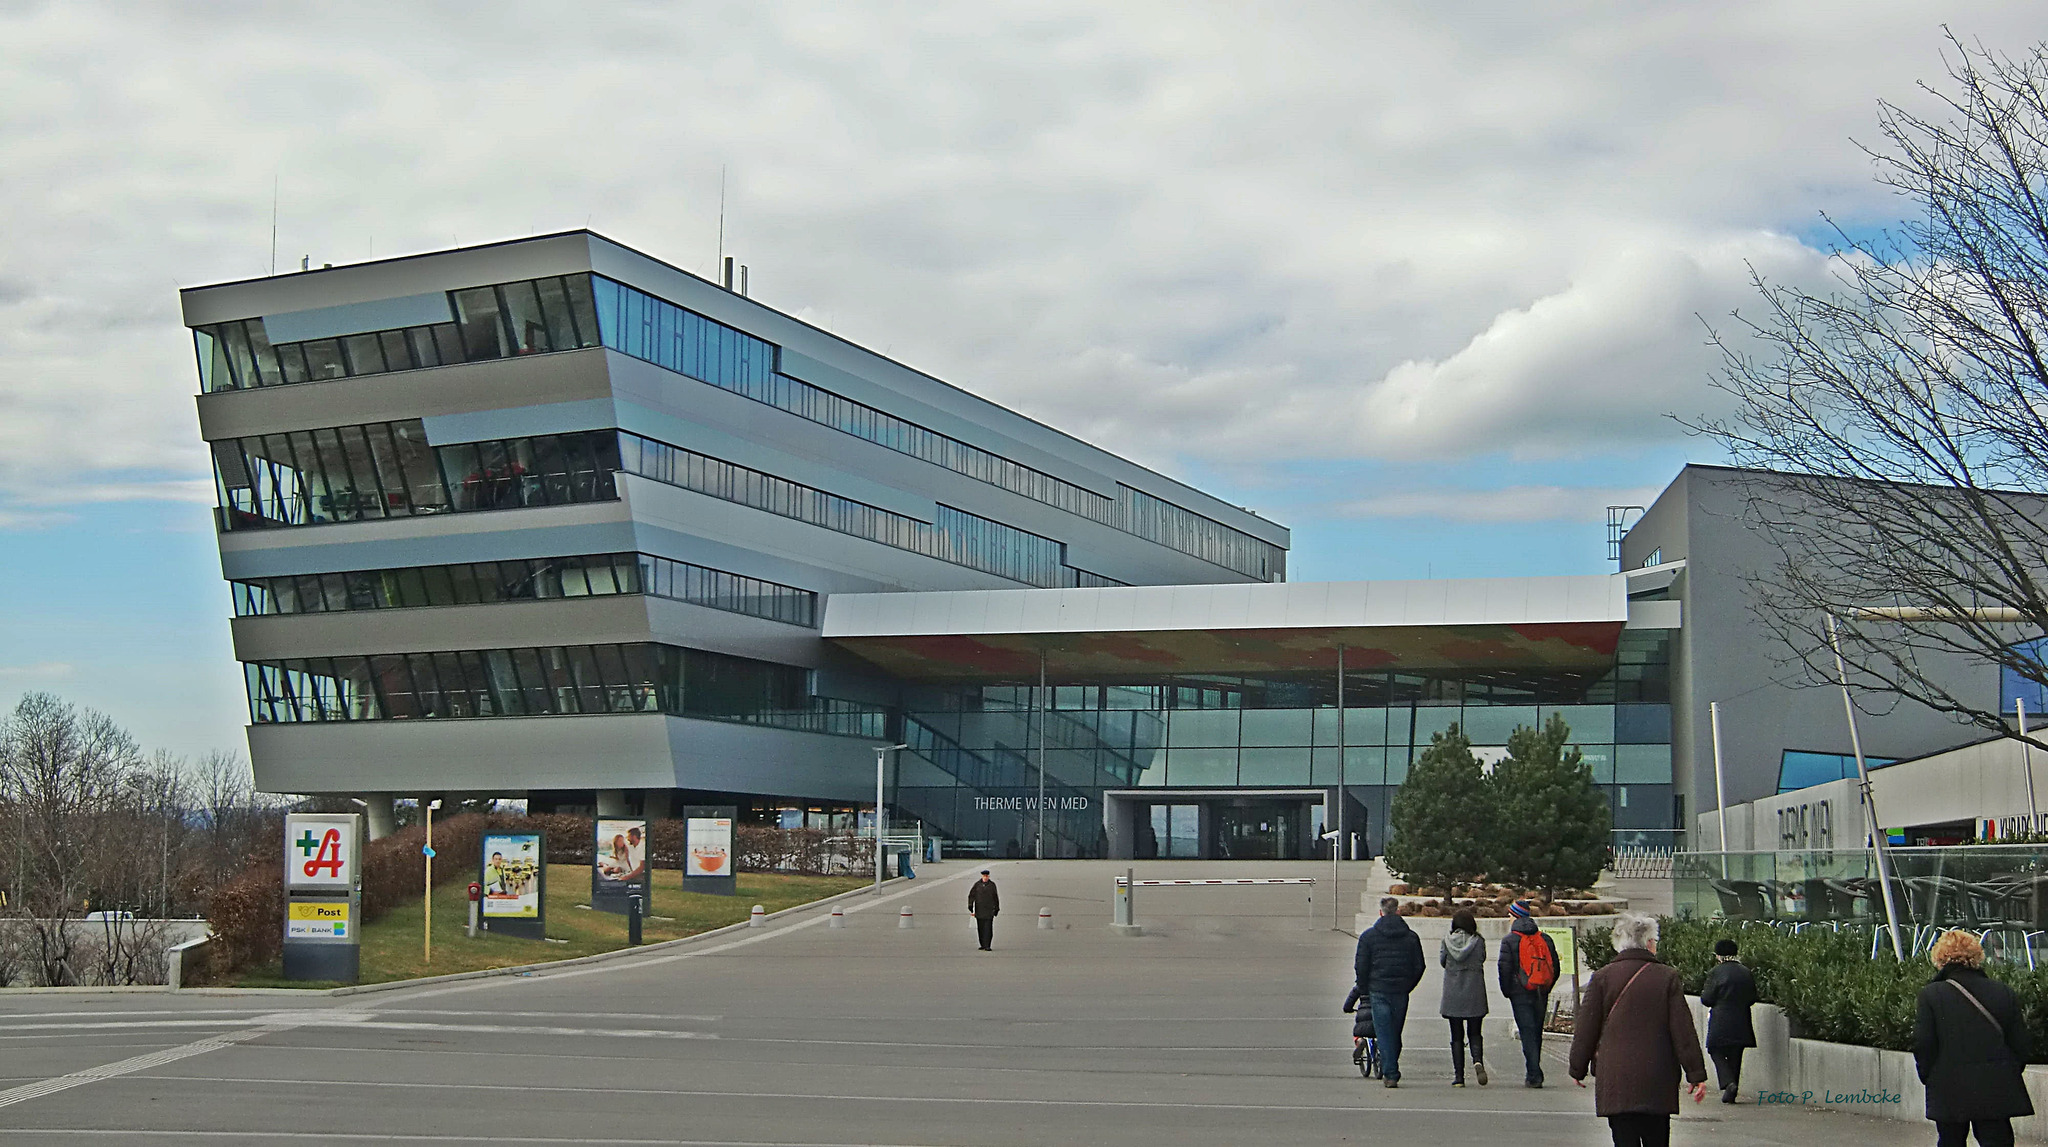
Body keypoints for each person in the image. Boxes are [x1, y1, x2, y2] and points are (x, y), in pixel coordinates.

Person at [1568, 913, 1709, 1147]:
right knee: (1657, 1138)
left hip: (1616, 1077)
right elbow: (1683, 1030)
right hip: (1657, 1077)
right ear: (1650, 943)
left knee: (1623, 1139)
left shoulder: (1602, 978)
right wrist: (1695, 1073)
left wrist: (1577, 1067)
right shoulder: (1667, 977)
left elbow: (1586, 1028)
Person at [1914, 929, 2033, 1147]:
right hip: (1994, 1085)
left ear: (1940, 957)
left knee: (1950, 1140)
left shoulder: (1932, 995)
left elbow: (1924, 1044)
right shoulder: (2002, 991)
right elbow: (2020, 1044)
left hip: (1948, 1085)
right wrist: (2008, 1070)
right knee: (1997, 1140)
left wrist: (1929, 1076)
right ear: (1976, 956)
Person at [1353, 895, 1424, 1087]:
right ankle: (1390, 1065)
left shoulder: (1369, 937)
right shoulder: (1411, 937)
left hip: (1378, 989)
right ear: (1398, 911)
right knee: (1395, 1031)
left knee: (1384, 1031)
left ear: (1380, 912)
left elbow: (1361, 966)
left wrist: (1363, 988)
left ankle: (1391, 1072)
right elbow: (1419, 966)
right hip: (1400, 990)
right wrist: (1408, 985)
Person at [1497, 900, 1561, 1087]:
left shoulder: (1509, 940)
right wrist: (1547, 986)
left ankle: (1534, 1073)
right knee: (1536, 1031)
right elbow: (1555, 966)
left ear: (1516, 917)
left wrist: (1508, 991)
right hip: (1541, 991)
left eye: (1510, 915)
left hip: (1520, 993)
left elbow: (1504, 968)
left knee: (1527, 1031)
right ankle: (1534, 1069)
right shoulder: (1545, 938)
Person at [1698, 938, 1757, 1103]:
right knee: (1736, 1054)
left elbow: (1707, 999)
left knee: (1715, 1049)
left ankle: (1728, 1082)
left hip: (1721, 1019)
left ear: (1718, 955)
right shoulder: (1746, 971)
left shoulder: (1715, 972)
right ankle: (1732, 1092)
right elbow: (1752, 997)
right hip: (1742, 1018)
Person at [1440, 908, 1489, 1086]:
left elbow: (1442, 961)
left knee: (1456, 1035)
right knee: (1475, 1032)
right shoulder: (1478, 941)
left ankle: (1459, 1077)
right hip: (1475, 991)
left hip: (1453, 992)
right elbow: (1482, 958)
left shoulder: (1446, 941)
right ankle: (1477, 1060)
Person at [967, 869, 1000, 951]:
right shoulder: (977, 885)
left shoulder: (992, 885)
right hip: (979, 909)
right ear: (982, 876)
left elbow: (995, 897)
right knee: (980, 928)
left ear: (988, 876)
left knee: (988, 928)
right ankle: (982, 944)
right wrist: (970, 905)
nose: (985, 877)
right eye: (984, 876)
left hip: (989, 911)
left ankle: (987, 945)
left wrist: (996, 908)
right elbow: (971, 895)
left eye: (986, 876)